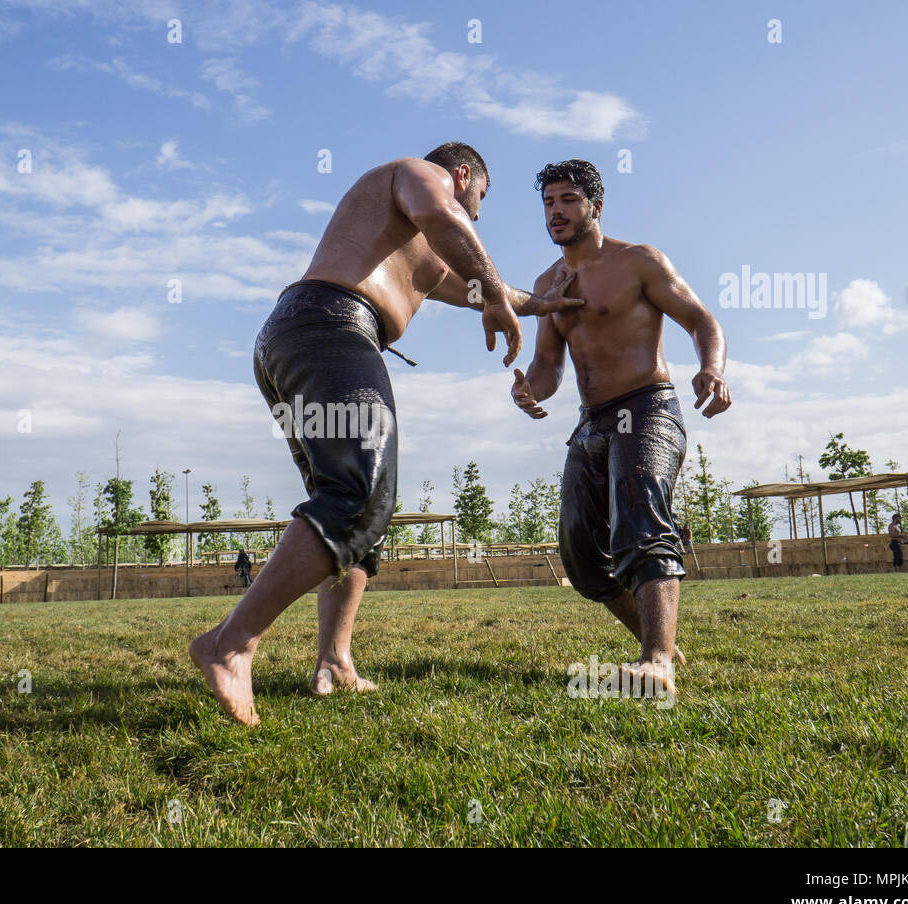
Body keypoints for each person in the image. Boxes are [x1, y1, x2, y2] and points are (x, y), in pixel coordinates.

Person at [188, 142, 584, 725]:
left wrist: (548, 303)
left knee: (354, 509)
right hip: (330, 327)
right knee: (359, 495)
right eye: (481, 197)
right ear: (464, 175)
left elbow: (487, 289)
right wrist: (495, 288)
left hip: (296, 339)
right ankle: (229, 643)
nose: (478, 213)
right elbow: (446, 218)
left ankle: (334, 660)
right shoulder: (417, 175)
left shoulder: (425, 254)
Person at [510, 159, 731, 700]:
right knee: (581, 554)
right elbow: (549, 366)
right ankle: (662, 643)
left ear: (596, 207)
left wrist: (712, 368)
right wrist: (529, 388)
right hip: (591, 420)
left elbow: (701, 319)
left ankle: (657, 663)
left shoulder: (638, 261)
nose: (556, 211)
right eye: (548, 202)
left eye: (568, 199)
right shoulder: (547, 283)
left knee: (640, 519)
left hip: (648, 408)